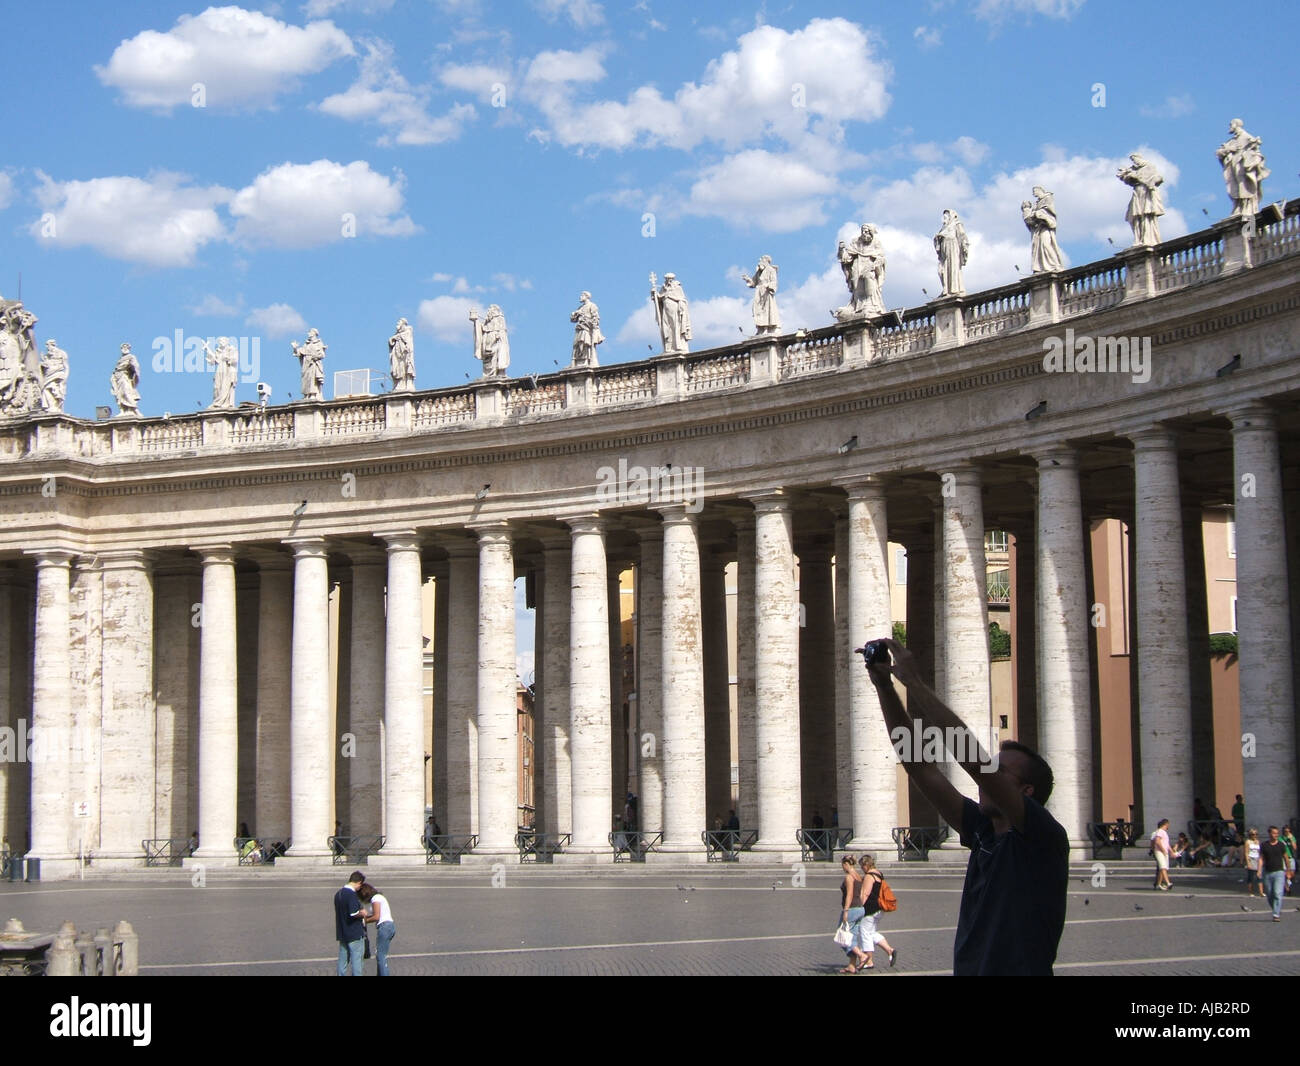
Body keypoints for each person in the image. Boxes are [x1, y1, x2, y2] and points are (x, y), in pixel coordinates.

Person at [864, 636, 1068, 975]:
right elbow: (919, 765)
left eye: (1002, 772)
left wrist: (914, 683)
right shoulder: (982, 830)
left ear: (1027, 791)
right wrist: (884, 687)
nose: (991, 778)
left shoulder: (1042, 837)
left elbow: (977, 766)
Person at [1216, 118, 1270, 217]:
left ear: (1236, 125)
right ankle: (1238, 207)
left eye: (1231, 124)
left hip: (1242, 169)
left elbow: (1256, 153)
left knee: (1244, 187)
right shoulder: (1232, 141)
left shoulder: (1246, 137)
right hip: (1233, 168)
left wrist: (1252, 161)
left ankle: (1247, 208)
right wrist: (1228, 149)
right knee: (1235, 188)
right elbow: (1218, 153)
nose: (1230, 127)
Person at [854, 854, 898, 970]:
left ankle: (869, 961)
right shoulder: (879, 873)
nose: (861, 869)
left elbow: (865, 894)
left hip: (870, 909)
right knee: (871, 932)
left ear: (866, 865)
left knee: (865, 934)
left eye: (862, 866)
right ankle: (890, 950)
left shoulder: (869, 876)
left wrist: (859, 908)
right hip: (879, 909)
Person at [1116, 154, 1165, 246]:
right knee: (1133, 217)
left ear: (1139, 158)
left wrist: (1151, 182)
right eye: (1132, 160)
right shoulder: (1133, 169)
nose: (1134, 162)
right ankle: (1138, 239)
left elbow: (1159, 178)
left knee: (1146, 215)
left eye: (1134, 159)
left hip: (1146, 193)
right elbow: (1127, 180)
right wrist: (1127, 176)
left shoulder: (1149, 166)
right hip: (1137, 193)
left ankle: (1148, 239)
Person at [837, 855, 868, 974]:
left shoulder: (849, 877)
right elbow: (861, 894)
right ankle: (851, 966)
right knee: (853, 937)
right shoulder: (859, 877)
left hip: (852, 909)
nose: (843, 868)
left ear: (846, 864)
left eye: (843, 865)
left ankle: (862, 955)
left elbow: (849, 895)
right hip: (860, 909)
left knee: (842, 937)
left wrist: (846, 911)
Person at [1021, 186, 1063, 273]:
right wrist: (1027, 211)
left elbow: (1048, 212)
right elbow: (1031, 219)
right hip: (1038, 229)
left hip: (1045, 227)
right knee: (1038, 247)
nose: (1033, 193)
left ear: (1039, 190)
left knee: (1046, 245)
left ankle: (1055, 265)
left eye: (1034, 191)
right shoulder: (1037, 203)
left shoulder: (1048, 198)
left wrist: (1037, 214)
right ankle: (1041, 267)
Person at [359, 882, 396, 976]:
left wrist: (364, 921)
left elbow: (376, 916)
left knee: (381, 957)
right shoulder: (379, 897)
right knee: (381, 955)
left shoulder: (376, 898)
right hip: (389, 926)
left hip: (384, 927)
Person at [334, 871, 367, 976]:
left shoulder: (338, 894)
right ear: (359, 882)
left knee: (342, 961)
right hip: (354, 933)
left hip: (342, 932)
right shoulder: (351, 894)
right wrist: (362, 913)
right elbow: (353, 913)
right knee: (357, 961)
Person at [742, 255, 780, 334]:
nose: (759, 262)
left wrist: (768, 285)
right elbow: (754, 283)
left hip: (766, 293)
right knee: (757, 310)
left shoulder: (771, 270)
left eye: (761, 260)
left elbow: (774, 282)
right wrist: (747, 279)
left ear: (766, 261)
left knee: (766, 310)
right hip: (758, 293)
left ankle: (766, 328)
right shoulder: (759, 272)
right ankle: (760, 328)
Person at [934, 210, 969, 296]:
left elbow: (962, 236)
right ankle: (946, 289)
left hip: (952, 249)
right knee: (941, 270)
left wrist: (964, 247)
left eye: (946, 215)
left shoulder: (957, 224)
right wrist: (937, 238)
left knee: (953, 267)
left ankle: (954, 289)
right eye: (944, 215)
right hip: (944, 252)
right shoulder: (943, 228)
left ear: (951, 215)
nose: (944, 217)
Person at [1259, 826, 1288, 921]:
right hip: (1267, 872)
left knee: (1277, 893)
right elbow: (1261, 858)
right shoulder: (1264, 845)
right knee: (1270, 894)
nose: (1276, 835)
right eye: (1274, 833)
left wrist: (1289, 870)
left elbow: (1286, 857)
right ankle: (1277, 909)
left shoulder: (1281, 845)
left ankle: (1276, 915)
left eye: (1277, 833)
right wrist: (1259, 870)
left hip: (1279, 872)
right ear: (1269, 834)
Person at [569, 292, 604, 368]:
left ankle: (586, 360)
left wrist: (585, 318)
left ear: (587, 296)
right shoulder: (580, 308)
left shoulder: (592, 305)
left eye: (582, 295)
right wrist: (574, 314)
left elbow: (596, 319)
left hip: (586, 329)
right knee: (577, 345)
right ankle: (576, 361)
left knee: (585, 343)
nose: (580, 297)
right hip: (579, 329)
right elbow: (573, 320)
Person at [1150, 818, 1172, 890]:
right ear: (1165, 824)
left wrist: (1171, 852)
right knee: (1163, 867)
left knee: (1161, 868)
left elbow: (1167, 844)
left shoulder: (1164, 832)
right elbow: (1157, 841)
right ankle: (1168, 882)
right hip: (1160, 851)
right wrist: (1163, 850)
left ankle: (1158, 884)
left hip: (1163, 852)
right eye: (1168, 824)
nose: (1169, 826)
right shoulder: (1159, 831)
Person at [1244, 828, 1264, 897]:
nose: (1254, 836)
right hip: (1251, 859)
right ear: (1250, 835)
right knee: (1251, 877)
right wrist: (1248, 862)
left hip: (1257, 859)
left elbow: (1260, 852)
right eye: (1253, 834)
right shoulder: (1248, 842)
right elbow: (1246, 853)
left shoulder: (1258, 842)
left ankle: (1261, 892)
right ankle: (1251, 892)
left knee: (1259, 876)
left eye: (1256, 834)